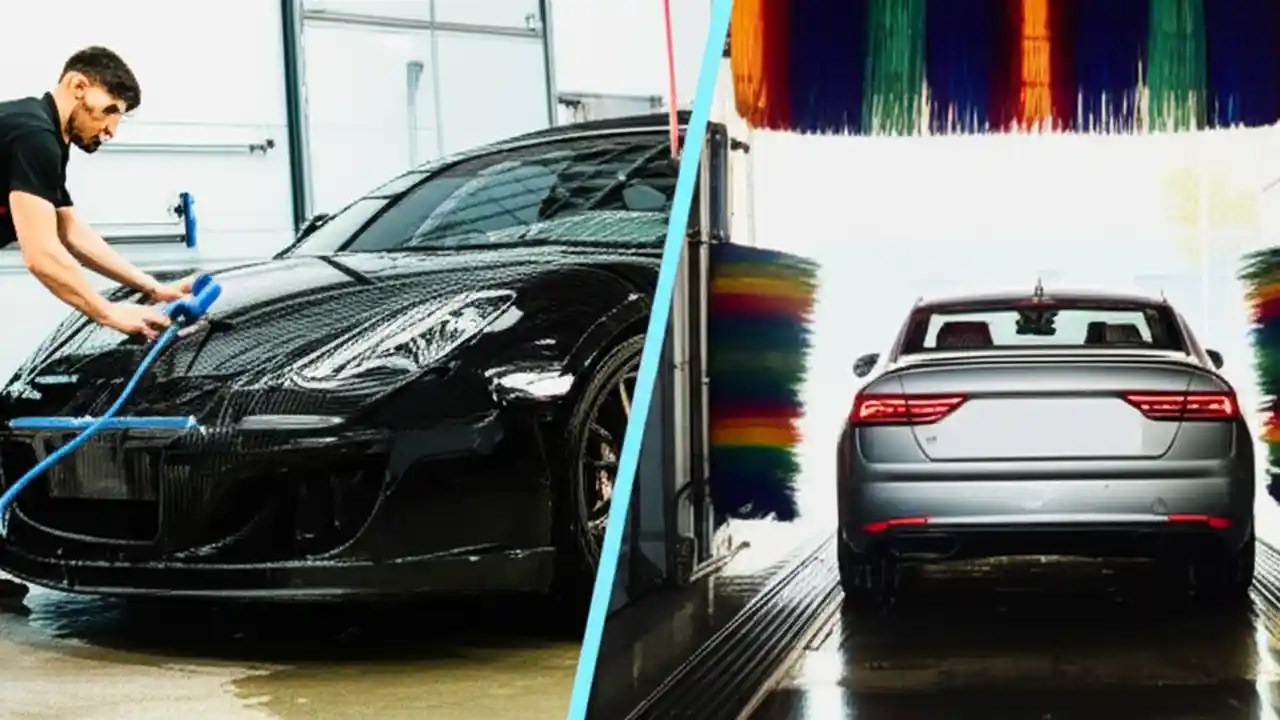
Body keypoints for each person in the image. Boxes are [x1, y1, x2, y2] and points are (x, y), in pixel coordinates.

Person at [0, 47, 196, 604]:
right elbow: (41, 256)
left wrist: (153, 287)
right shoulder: (32, 134)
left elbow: (70, 234)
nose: (111, 129)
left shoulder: (42, 138)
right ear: (77, 86)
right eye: (109, 111)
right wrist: (111, 313)